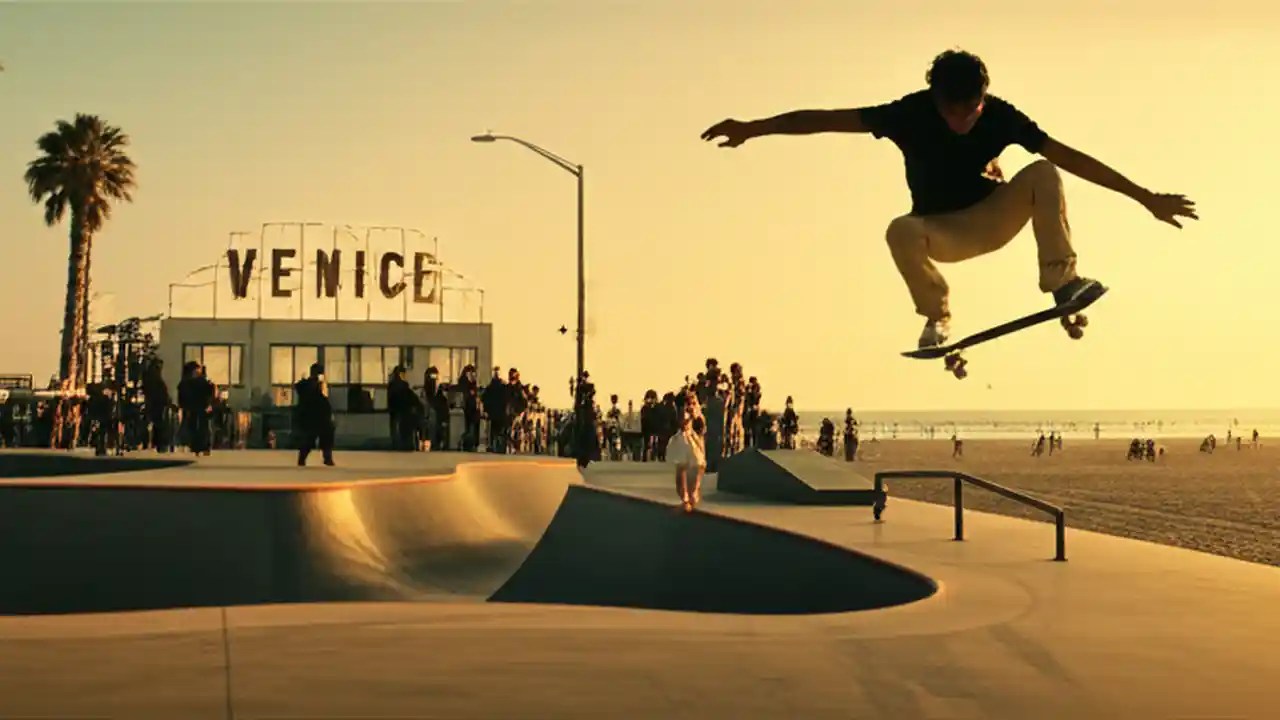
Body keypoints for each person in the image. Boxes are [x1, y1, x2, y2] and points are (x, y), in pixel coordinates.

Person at [701, 49, 1198, 349]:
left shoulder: (1002, 116)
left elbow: (1070, 157)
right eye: (952, 111)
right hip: (941, 232)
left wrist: (1144, 196)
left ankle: (1061, 280)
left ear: (984, 96)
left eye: (973, 109)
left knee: (1043, 172)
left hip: (992, 216)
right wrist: (754, 128)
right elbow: (824, 119)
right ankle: (936, 315)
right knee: (899, 229)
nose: (964, 119)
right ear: (934, 98)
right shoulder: (907, 114)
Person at [294, 363, 335, 467]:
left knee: (325, 437)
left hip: (319, 416)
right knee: (310, 439)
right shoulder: (309, 385)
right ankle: (303, 459)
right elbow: (310, 397)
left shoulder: (318, 385)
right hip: (312, 416)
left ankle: (327, 458)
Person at [667, 409, 707, 512]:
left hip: (690, 442)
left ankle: (689, 497)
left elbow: (700, 465)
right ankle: (688, 498)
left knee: (690, 467)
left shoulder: (691, 436)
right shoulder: (681, 438)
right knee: (683, 469)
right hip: (687, 441)